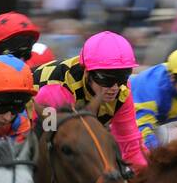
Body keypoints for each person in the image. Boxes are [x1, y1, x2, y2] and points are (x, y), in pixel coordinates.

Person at [33, 31, 147, 171]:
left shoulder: (122, 90)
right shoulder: (56, 92)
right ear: (87, 73)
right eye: (107, 79)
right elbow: (48, 149)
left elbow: (131, 146)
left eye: (122, 77)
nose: (114, 88)